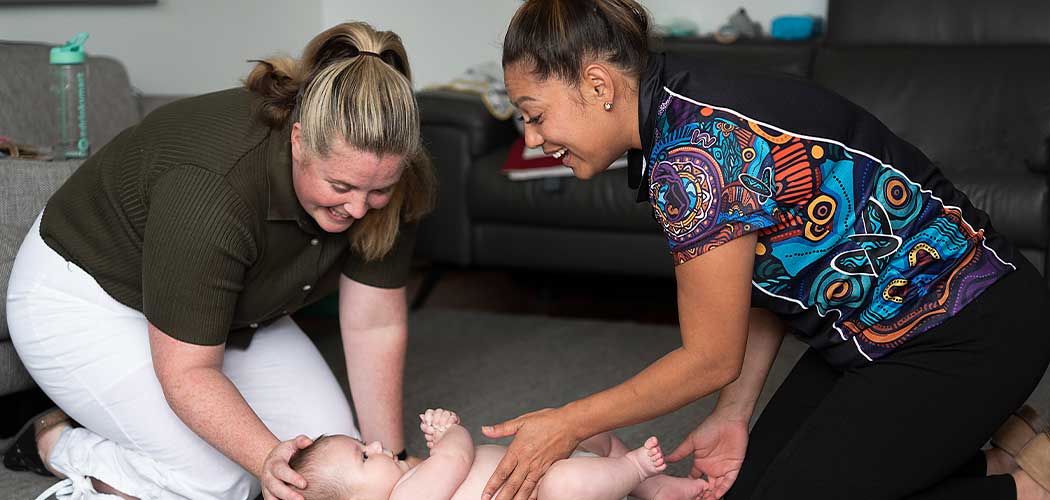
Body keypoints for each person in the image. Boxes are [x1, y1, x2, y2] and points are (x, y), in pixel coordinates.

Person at [479, 1, 1050, 500]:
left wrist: (569, 422)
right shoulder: (683, 100)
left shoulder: (695, 159)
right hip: (875, 333)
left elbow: (709, 358)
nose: (532, 138)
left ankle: (1021, 488)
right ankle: (990, 457)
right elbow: (764, 279)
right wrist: (733, 414)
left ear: (599, 86)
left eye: (536, 115)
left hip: (969, 327)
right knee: (749, 489)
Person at [3, 21, 435, 500]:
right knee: (223, 481)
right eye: (340, 186)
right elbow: (189, 371)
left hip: (229, 313)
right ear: (297, 140)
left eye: (378, 191)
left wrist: (393, 463)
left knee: (332, 463)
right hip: (86, 296)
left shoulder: (390, 174)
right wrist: (266, 461)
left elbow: (374, 324)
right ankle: (55, 442)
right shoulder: (212, 188)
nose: (357, 208)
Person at [287, 408, 707, 500]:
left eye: (364, 443)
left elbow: (446, 472)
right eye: (364, 456)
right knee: (568, 483)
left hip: (535, 465)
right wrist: (450, 434)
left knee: (581, 432)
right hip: (544, 491)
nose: (376, 445)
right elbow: (456, 459)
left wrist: (435, 448)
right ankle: (635, 470)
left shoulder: (412, 481)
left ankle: (651, 488)